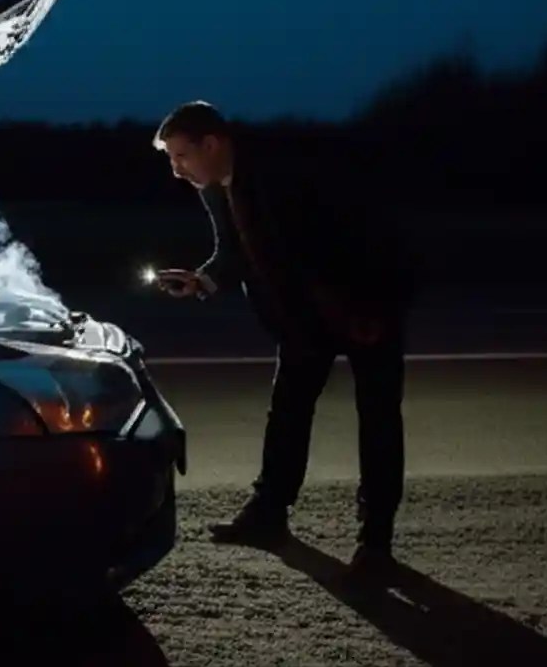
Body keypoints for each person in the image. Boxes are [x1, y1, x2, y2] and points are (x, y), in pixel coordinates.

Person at [150, 100, 419, 577]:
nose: (176, 170)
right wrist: (204, 280)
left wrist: (369, 307)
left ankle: (376, 542)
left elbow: (356, 233)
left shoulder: (285, 169)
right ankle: (269, 512)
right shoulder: (213, 185)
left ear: (211, 143)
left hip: (364, 303)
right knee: (289, 408)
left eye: (180, 156)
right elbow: (236, 248)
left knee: (377, 417)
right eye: (171, 159)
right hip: (301, 317)